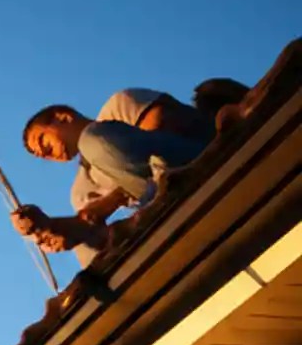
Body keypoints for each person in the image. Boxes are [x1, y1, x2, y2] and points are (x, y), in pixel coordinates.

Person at [16, 89, 214, 265]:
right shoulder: (84, 186)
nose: (45, 152)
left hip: (196, 157)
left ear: (63, 117)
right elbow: (97, 234)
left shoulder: (118, 105)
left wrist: (113, 200)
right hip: (161, 206)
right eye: (41, 155)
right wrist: (62, 229)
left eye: (42, 140)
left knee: (92, 140)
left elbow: (165, 132)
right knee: (83, 229)